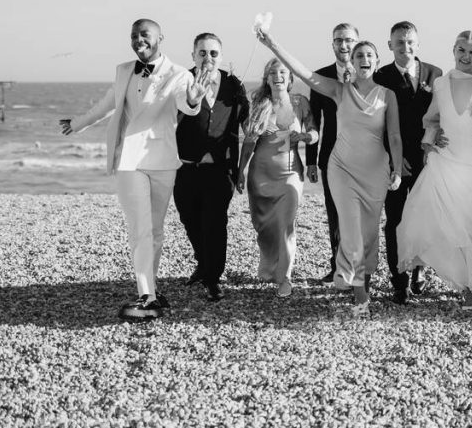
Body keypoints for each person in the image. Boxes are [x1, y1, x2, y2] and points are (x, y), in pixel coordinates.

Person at [60, 19, 208, 320]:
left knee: (155, 230)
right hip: (130, 160)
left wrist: (194, 99)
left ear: (160, 38)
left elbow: (186, 102)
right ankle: (147, 296)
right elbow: (107, 104)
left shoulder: (179, 73)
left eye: (145, 35)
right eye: (134, 35)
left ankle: (150, 288)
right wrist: (76, 124)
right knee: (140, 228)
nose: (139, 39)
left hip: (164, 161)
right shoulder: (123, 70)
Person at [256, 30, 402, 316]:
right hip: (342, 169)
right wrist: (272, 43)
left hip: (375, 171)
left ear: (376, 62)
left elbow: (394, 135)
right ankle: (360, 296)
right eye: (359, 55)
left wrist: (397, 169)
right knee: (351, 230)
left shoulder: (388, 95)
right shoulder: (339, 90)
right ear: (352, 61)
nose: (364, 59)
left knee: (369, 232)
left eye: (369, 55)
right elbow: (305, 73)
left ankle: (358, 277)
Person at [397, 31, 472, 310]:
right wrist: (430, 142)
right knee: (434, 218)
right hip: (447, 160)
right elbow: (431, 119)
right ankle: (446, 274)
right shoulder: (440, 83)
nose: (466, 57)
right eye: (461, 51)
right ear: (453, 50)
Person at [174, 32, 249, 302]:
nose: (208, 58)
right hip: (185, 167)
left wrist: (243, 167)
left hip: (220, 170)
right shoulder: (180, 80)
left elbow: (247, 122)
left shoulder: (233, 83)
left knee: (215, 222)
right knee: (189, 219)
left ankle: (213, 278)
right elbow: (169, 119)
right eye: (202, 53)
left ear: (221, 55)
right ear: (193, 55)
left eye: (214, 53)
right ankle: (203, 265)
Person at [372, 21, 443, 304]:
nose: (406, 47)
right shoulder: (380, 77)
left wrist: (436, 146)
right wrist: (394, 160)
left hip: (429, 160)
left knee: (425, 219)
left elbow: (441, 116)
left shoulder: (435, 74)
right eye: (399, 42)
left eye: (410, 42)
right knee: (396, 221)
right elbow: (375, 124)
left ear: (418, 43)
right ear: (390, 45)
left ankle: (419, 269)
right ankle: (398, 280)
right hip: (395, 162)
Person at [237, 59, 318, 298]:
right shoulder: (259, 104)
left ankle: (285, 276)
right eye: (272, 72)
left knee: (286, 225)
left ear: (291, 79)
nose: (278, 76)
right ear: (267, 78)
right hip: (260, 174)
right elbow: (250, 142)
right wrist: (241, 170)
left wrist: (306, 136)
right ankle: (270, 267)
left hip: (290, 173)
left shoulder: (300, 103)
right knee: (265, 228)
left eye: (283, 72)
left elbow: (314, 130)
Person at [306, 22, 359, 283]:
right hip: (330, 156)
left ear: (357, 42)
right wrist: (311, 161)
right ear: (333, 44)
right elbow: (313, 121)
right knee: (334, 212)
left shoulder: (370, 74)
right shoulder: (321, 76)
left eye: (349, 40)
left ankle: (360, 267)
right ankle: (337, 265)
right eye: (339, 40)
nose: (344, 45)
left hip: (364, 157)